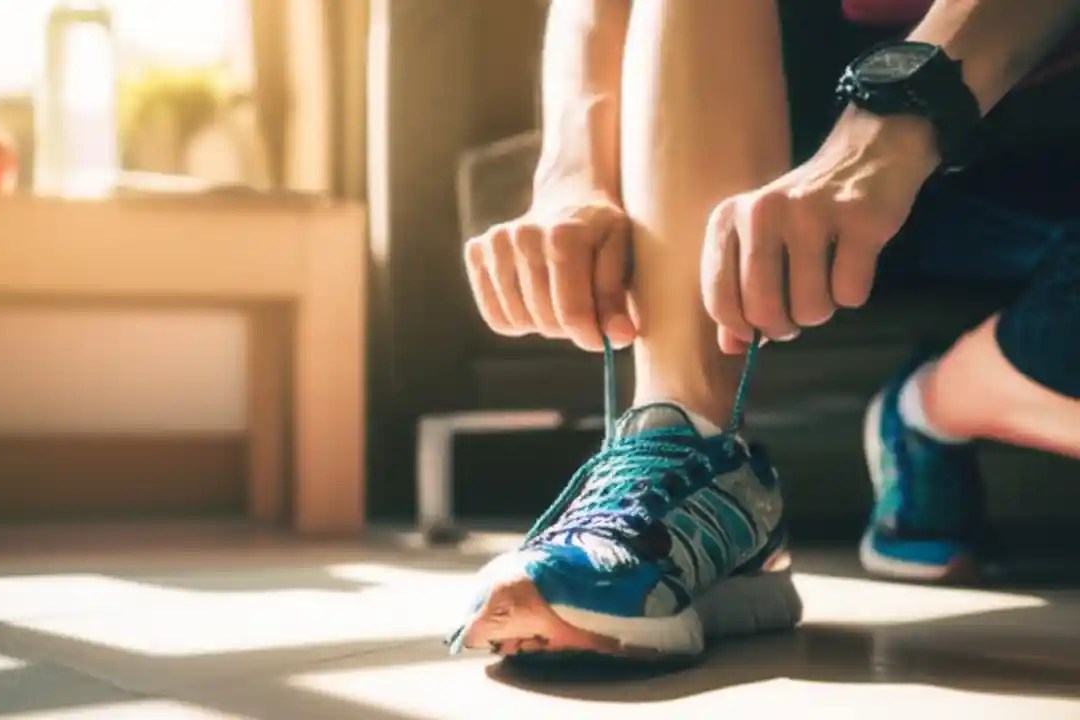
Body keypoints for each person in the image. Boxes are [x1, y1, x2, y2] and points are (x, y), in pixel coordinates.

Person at [447, 0, 1080, 661]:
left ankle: (934, 407)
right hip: (780, 138)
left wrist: (891, 123)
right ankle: (687, 446)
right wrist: (571, 173)